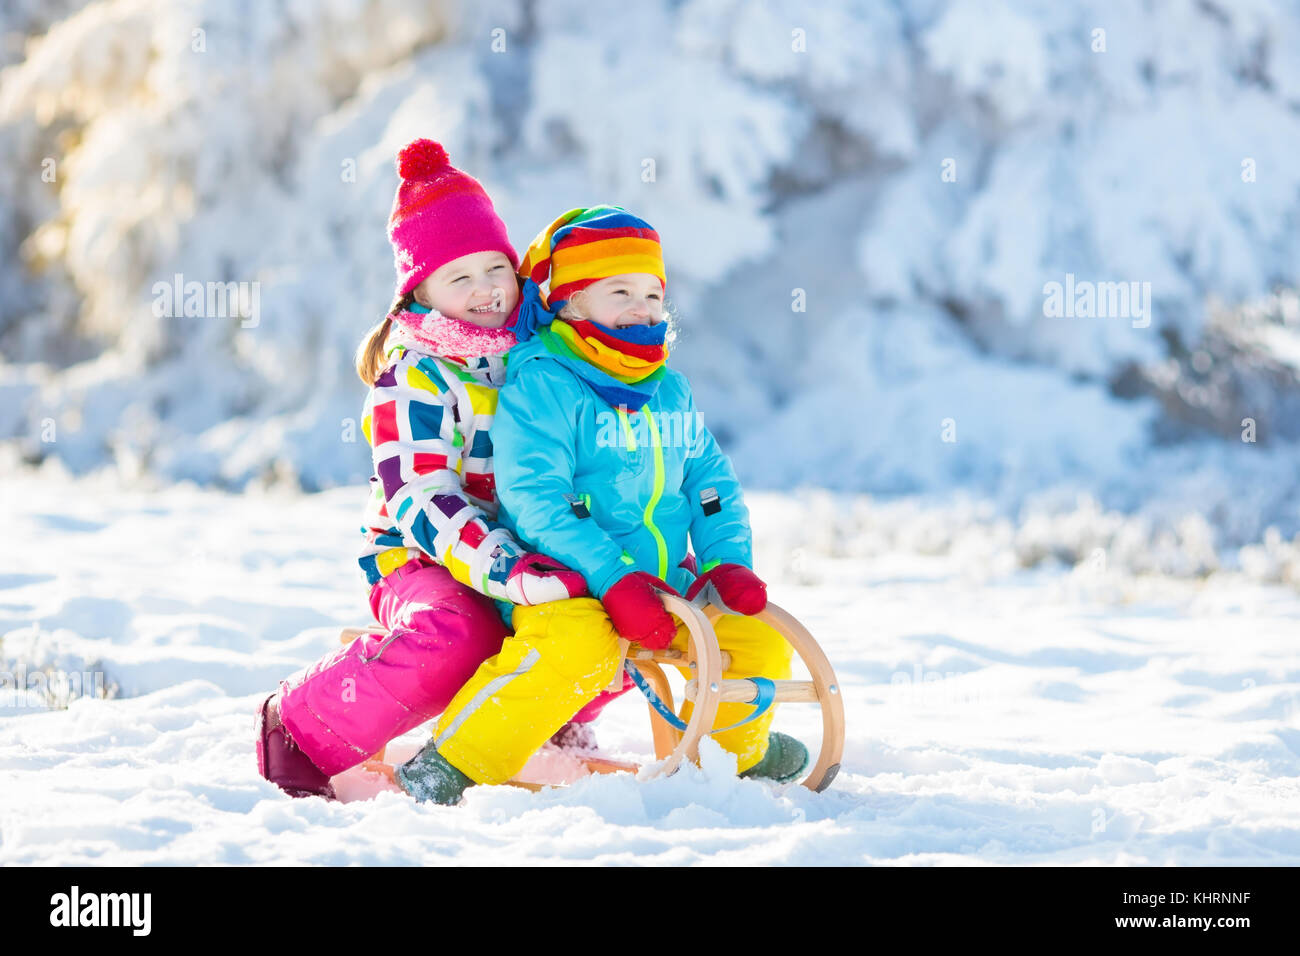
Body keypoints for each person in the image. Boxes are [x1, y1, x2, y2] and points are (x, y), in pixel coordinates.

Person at [393, 206, 808, 805]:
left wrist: (725, 560)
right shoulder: (543, 382)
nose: (643, 308)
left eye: (653, 293)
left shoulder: (666, 386)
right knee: (578, 649)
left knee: (756, 636)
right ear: (570, 303)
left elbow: (710, 481)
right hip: (568, 582)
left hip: (665, 581)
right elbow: (537, 499)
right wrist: (612, 576)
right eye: (621, 291)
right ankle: (453, 762)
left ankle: (734, 754)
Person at [254, 140, 596, 799]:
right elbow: (419, 493)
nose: (483, 290)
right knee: (461, 628)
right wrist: (503, 567)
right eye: (457, 278)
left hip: (528, 551)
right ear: (422, 292)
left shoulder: (544, 357)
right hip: (420, 557)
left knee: (600, 604)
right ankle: (301, 722)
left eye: (493, 268)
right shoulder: (417, 376)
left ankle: (546, 721)